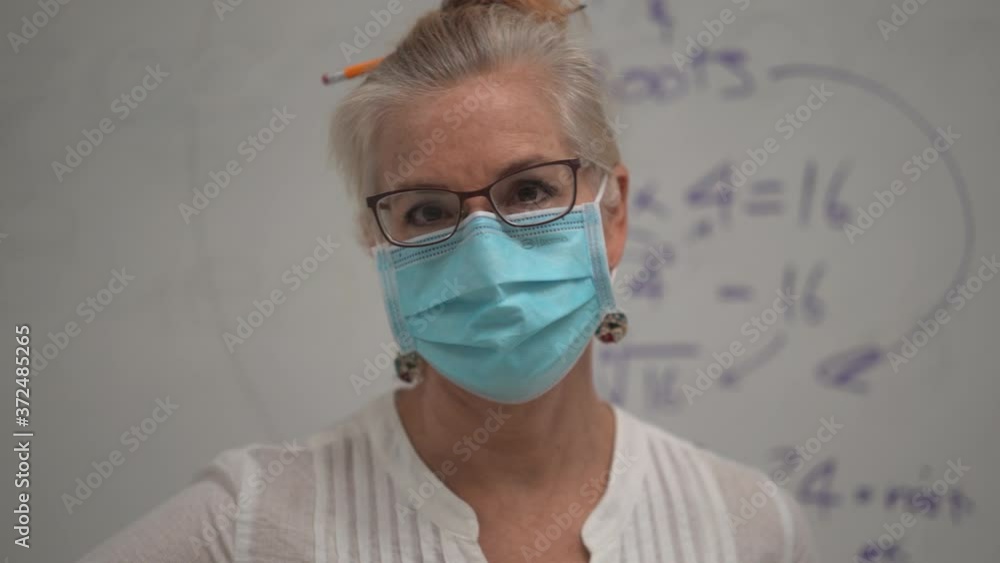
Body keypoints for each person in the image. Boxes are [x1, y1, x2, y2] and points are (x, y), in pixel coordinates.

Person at [79, 1, 819, 561]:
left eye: (529, 192)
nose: (487, 260)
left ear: (612, 213)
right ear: (378, 243)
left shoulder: (746, 526)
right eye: (428, 210)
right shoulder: (248, 525)